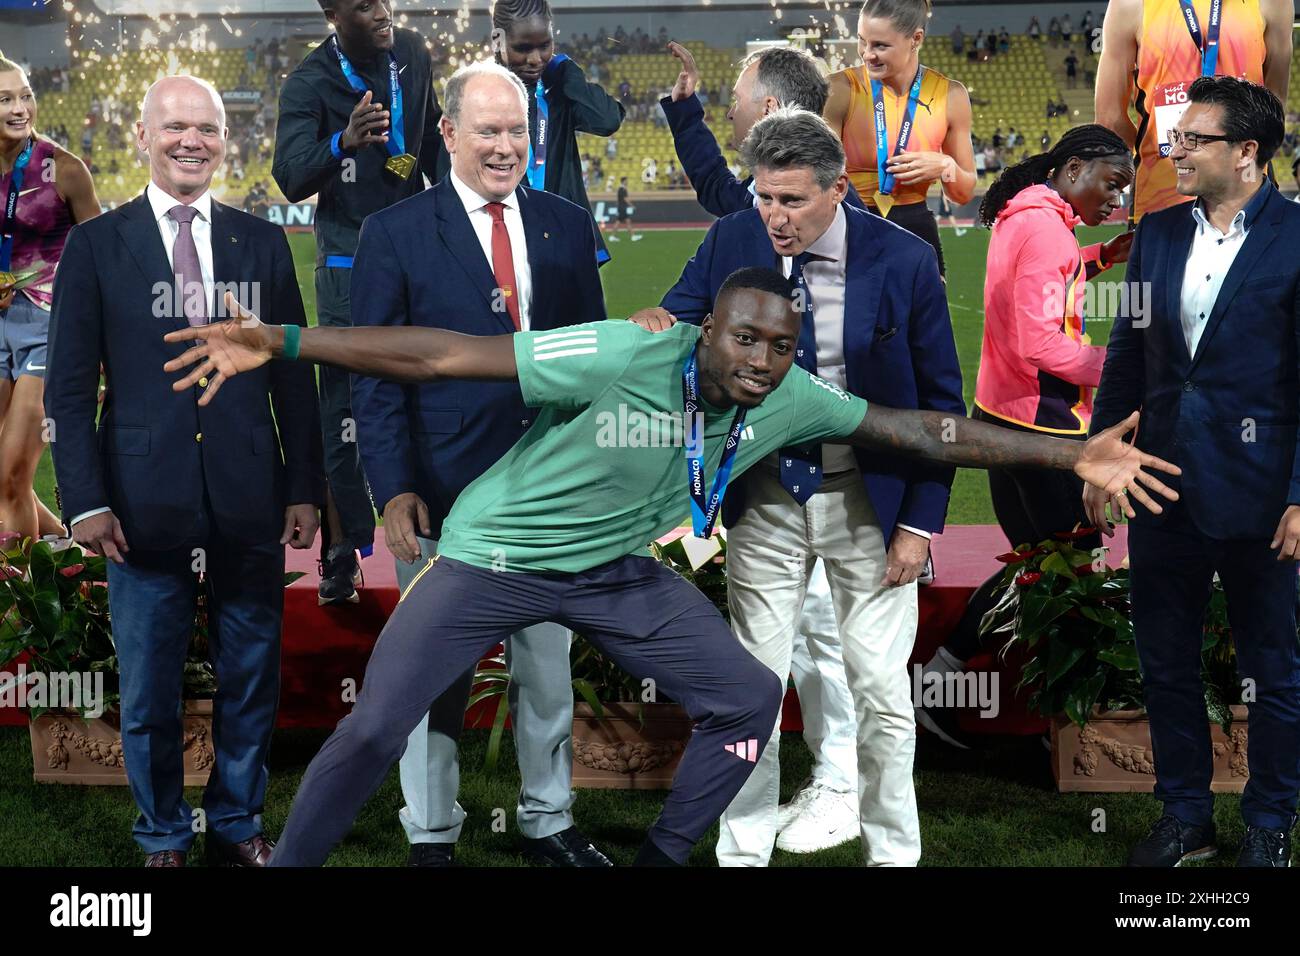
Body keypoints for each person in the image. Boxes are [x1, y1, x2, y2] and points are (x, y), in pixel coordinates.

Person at [163, 268, 1178, 869]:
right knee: (378, 720)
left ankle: (656, 860)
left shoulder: (791, 398)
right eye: (746, 337)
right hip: (494, 554)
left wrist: (1068, 448)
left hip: (605, 570)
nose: (761, 361)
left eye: (780, 347)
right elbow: (444, 355)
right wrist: (286, 338)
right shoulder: (617, 353)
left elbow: (922, 428)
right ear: (708, 329)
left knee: (744, 695)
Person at [657, 108, 964, 866]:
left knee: (883, 693)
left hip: (874, 498)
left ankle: (895, 855)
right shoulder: (732, 237)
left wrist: (920, 525)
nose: (773, 216)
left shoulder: (904, 259)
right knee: (750, 689)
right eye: (764, 196)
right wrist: (657, 324)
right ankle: (743, 852)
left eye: (791, 200)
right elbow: (679, 319)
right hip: (762, 495)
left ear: (838, 191)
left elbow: (942, 405)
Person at [45, 75, 324, 868]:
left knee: (249, 679)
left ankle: (237, 824)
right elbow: (67, 387)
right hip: (138, 507)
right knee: (149, 693)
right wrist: (86, 501)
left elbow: (293, 375)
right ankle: (162, 833)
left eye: (205, 127)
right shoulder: (96, 245)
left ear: (224, 141)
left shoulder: (262, 241)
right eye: (174, 127)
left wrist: (304, 485)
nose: (191, 141)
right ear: (141, 135)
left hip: (249, 501)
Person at [350, 61, 611, 868]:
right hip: (442, 496)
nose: (505, 147)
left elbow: (593, 365)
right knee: (431, 680)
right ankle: (431, 833)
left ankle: (548, 819)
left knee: (547, 670)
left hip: (548, 494)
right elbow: (376, 373)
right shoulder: (393, 232)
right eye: (489, 130)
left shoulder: (567, 225)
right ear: (449, 134)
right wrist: (392, 489)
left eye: (517, 132)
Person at [659, 40, 867, 849]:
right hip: (760, 479)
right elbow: (684, 304)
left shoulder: (860, 244)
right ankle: (770, 813)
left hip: (838, 475)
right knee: (776, 645)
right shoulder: (746, 225)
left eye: (738, 103)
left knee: (821, 636)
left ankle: (842, 786)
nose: (732, 114)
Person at [1088, 76, 1300, 869]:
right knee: (1165, 661)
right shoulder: (1160, 231)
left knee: (1272, 672)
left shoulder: (1297, 237)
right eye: (1173, 137)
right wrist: (1101, 453)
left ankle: (1271, 824)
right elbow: (1129, 352)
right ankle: (1185, 816)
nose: (1173, 150)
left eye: (1194, 139)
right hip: (1158, 483)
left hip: (1261, 494)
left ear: (1247, 153)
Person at [916, 126, 1136, 749]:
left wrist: (1099, 257)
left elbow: (1038, 285)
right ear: (1073, 169)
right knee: (1071, 562)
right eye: (1111, 184)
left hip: (998, 414)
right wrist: (1122, 370)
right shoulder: (1046, 229)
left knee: (1040, 564)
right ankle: (1061, 717)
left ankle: (943, 685)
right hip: (1042, 423)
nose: (1115, 202)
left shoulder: (1028, 216)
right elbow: (1041, 343)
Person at [273, 0, 449, 605]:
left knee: (427, 387)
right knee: (342, 410)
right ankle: (342, 555)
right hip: (348, 264)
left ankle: (435, 536)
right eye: (364, 4)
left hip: (418, 255)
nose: (382, 12)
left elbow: (430, 151)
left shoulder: (414, 54)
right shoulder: (308, 82)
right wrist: (341, 141)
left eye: (385, 0)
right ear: (332, 12)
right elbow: (290, 177)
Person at [0, 54, 99, 545]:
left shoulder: (64, 169)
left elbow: (105, 260)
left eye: (25, 95)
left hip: (49, 327)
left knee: (10, 477)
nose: (21, 108)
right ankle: (74, 561)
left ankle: (15, 611)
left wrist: (106, 353)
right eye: (5, 99)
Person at [1095, 0, 1292, 222]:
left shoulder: (1130, 4)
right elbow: (1274, 109)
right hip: (1246, 191)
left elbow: (1109, 119)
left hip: (1160, 195)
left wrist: (1165, 154)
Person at [824, 0, 977, 277]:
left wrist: (946, 167)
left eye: (880, 46)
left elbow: (962, 193)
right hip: (850, 223)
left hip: (916, 227)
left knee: (926, 321)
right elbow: (819, 179)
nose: (867, 55)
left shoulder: (950, 96)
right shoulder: (840, 89)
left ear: (915, 39)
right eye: (862, 41)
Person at [661, 42, 868, 219]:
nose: (730, 113)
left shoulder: (836, 210)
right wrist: (685, 109)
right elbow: (718, 188)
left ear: (769, 107)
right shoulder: (773, 185)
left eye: (737, 100)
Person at [490, 0, 624, 265]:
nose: (535, 59)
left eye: (544, 45)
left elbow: (607, 120)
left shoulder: (558, 91)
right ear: (498, 41)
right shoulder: (479, 95)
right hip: (506, 241)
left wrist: (569, 73)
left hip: (566, 238)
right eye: (523, 48)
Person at [607, 175, 640, 241]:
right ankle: (632, 236)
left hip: (621, 207)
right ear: (623, 181)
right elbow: (625, 199)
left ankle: (632, 236)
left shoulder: (621, 188)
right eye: (626, 180)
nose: (627, 182)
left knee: (625, 221)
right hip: (622, 208)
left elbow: (620, 199)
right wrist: (632, 205)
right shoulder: (622, 189)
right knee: (621, 222)